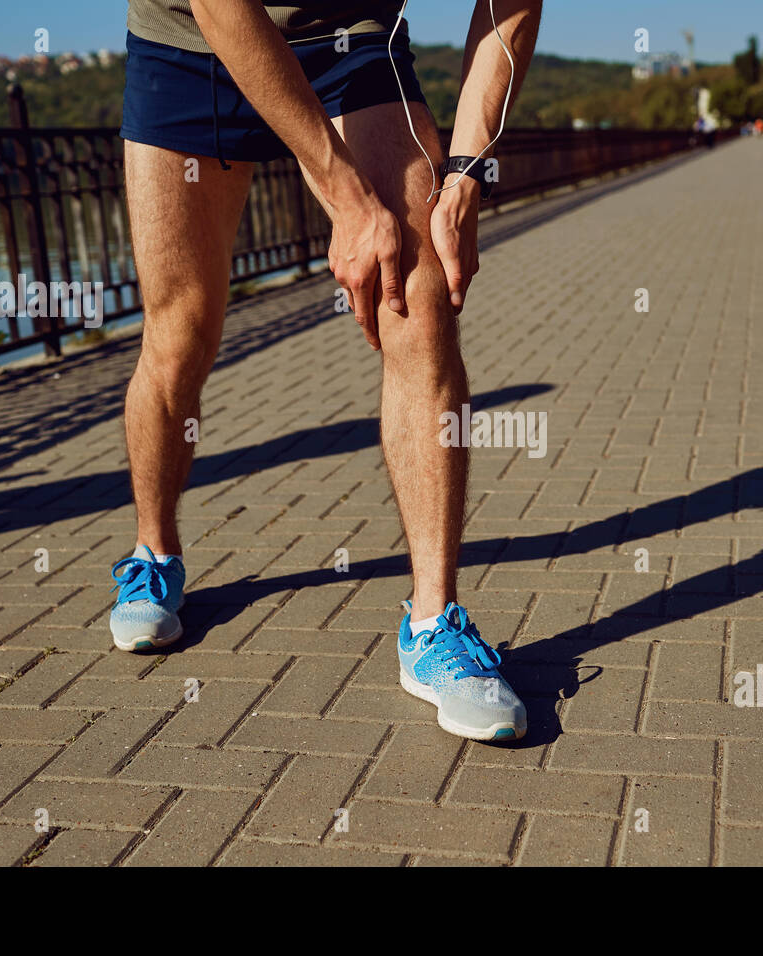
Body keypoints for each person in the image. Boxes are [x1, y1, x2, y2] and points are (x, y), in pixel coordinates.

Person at [111, 0, 542, 743]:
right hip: (191, 40)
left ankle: (434, 625)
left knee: (420, 299)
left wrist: (467, 172)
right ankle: (154, 552)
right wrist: (346, 198)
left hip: (352, 38)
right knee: (181, 333)